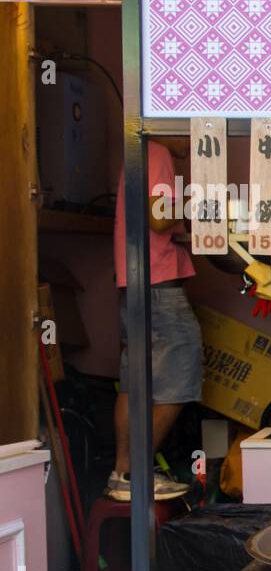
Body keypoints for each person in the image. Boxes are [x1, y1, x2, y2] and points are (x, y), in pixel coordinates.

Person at [106, 139, 202, 502]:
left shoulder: (138, 153)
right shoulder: (157, 152)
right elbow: (159, 217)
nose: (191, 138)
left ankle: (125, 473)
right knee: (180, 374)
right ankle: (138, 472)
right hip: (158, 286)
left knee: (136, 381)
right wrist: (198, 203)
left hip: (136, 284)